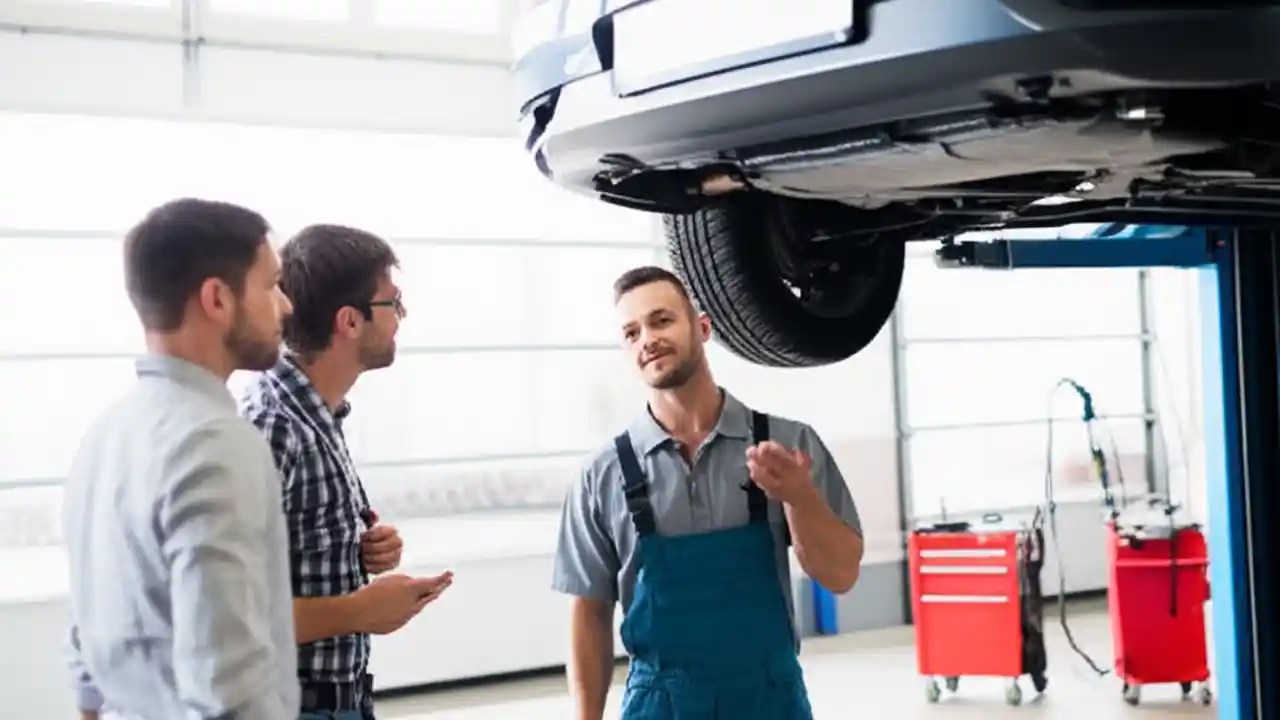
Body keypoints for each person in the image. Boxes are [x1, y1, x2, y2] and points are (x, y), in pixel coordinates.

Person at [552, 266, 865, 720]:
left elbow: (840, 575)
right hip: (659, 705)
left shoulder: (788, 445)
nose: (647, 340)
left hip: (769, 701)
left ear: (702, 328)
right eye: (631, 332)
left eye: (662, 321)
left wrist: (801, 498)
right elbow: (589, 615)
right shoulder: (601, 476)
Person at [62, 198, 299, 720]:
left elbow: (85, 656)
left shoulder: (104, 435)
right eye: (271, 285)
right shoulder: (215, 442)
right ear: (217, 298)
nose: (285, 305)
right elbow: (228, 689)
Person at [239, 224, 453, 720]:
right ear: (350, 322)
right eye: (392, 304)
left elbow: (290, 555)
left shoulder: (319, 414)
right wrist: (361, 610)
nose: (401, 319)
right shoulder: (272, 427)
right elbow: (233, 616)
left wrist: (358, 552)